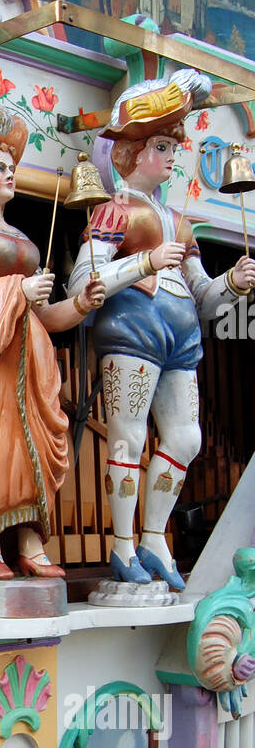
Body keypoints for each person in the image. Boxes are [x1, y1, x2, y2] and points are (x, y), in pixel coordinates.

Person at [67, 69, 255, 589]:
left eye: (174, 145)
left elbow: (205, 298)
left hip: (181, 336)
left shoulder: (181, 221)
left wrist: (234, 284)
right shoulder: (115, 211)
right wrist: (144, 263)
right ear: (129, 154)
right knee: (126, 437)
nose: (171, 155)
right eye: (160, 145)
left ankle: (155, 537)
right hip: (133, 330)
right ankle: (122, 547)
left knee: (187, 437)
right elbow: (84, 278)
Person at [0, 100, 105, 580]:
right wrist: (16, 289)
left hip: (29, 355)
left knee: (32, 446)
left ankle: (29, 541)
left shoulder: (23, 239)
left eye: (13, 167)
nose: (11, 174)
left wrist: (81, 305)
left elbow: (43, 316)